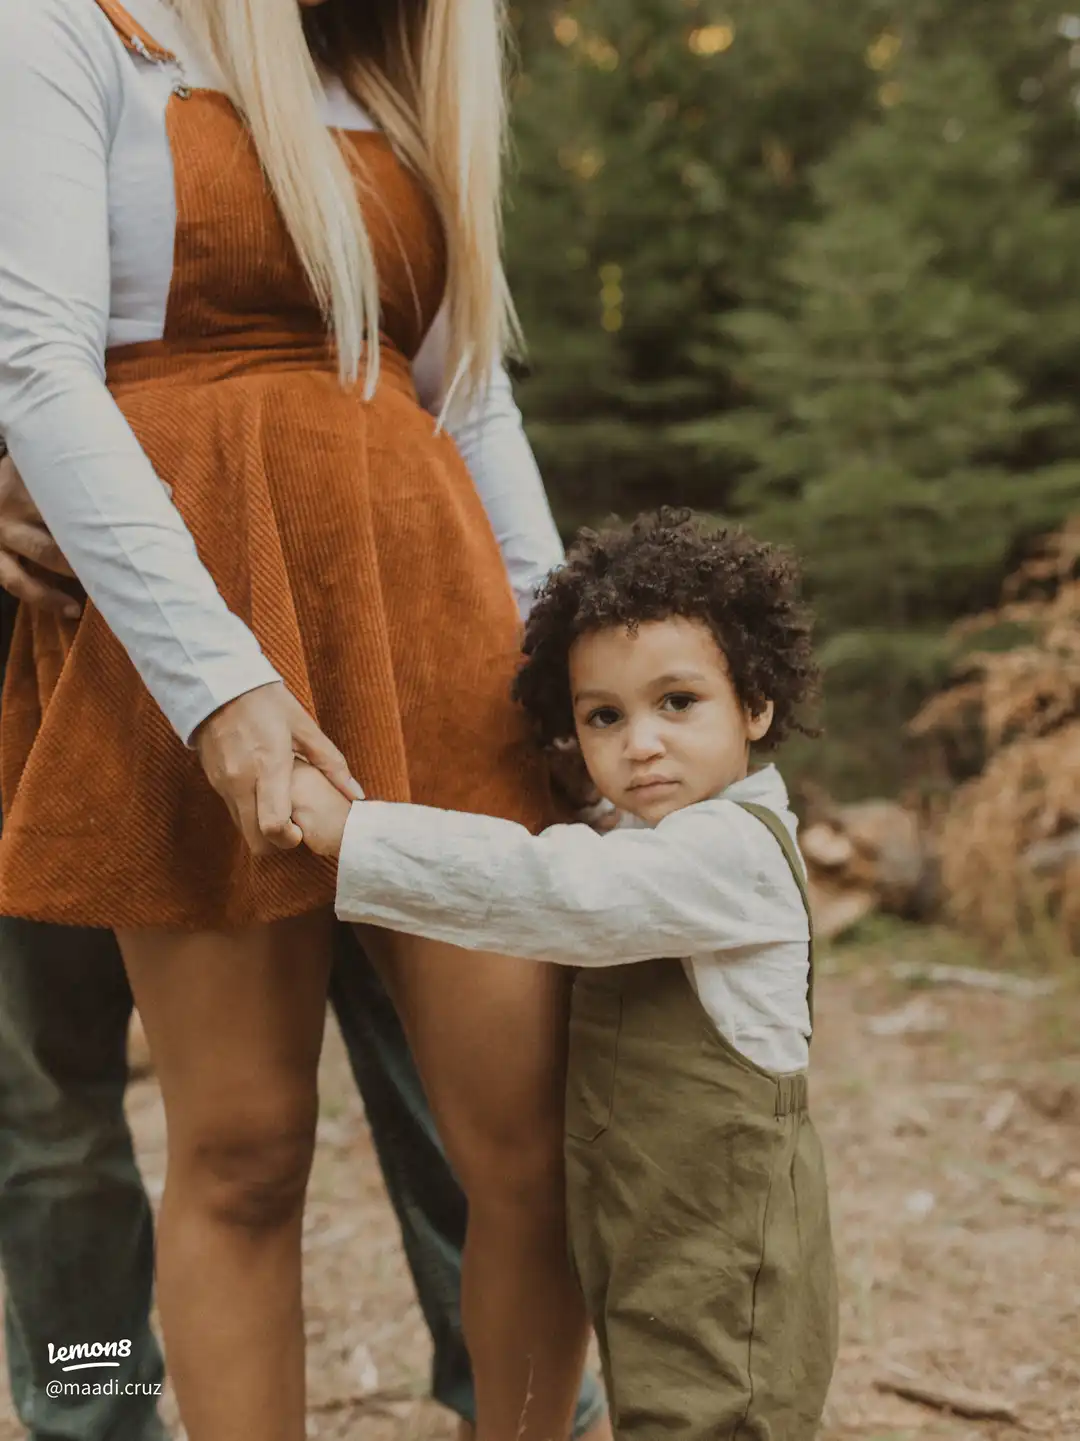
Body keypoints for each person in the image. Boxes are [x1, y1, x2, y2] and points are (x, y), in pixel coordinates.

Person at [0, 0, 594, 1435]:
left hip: (425, 613)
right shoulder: (78, 29)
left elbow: (478, 406)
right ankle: (95, 1413)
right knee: (185, 1132)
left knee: (528, 1141)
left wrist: (572, 665)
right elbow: (39, 357)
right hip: (159, 616)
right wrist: (220, 689)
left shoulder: (410, 71)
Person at [0, 455, 610, 1441]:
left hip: (344, 563)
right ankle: (90, 1416)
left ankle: (526, 1402)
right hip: (61, 618)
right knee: (51, 1105)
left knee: (462, 1086)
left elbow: (460, 379)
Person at [291, 508, 841, 1440]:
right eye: (604, 716)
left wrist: (361, 837)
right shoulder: (651, 838)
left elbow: (557, 889)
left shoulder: (727, 855)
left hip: (729, 1266)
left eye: (678, 702)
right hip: (657, 1254)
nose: (642, 743)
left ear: (757, 703)